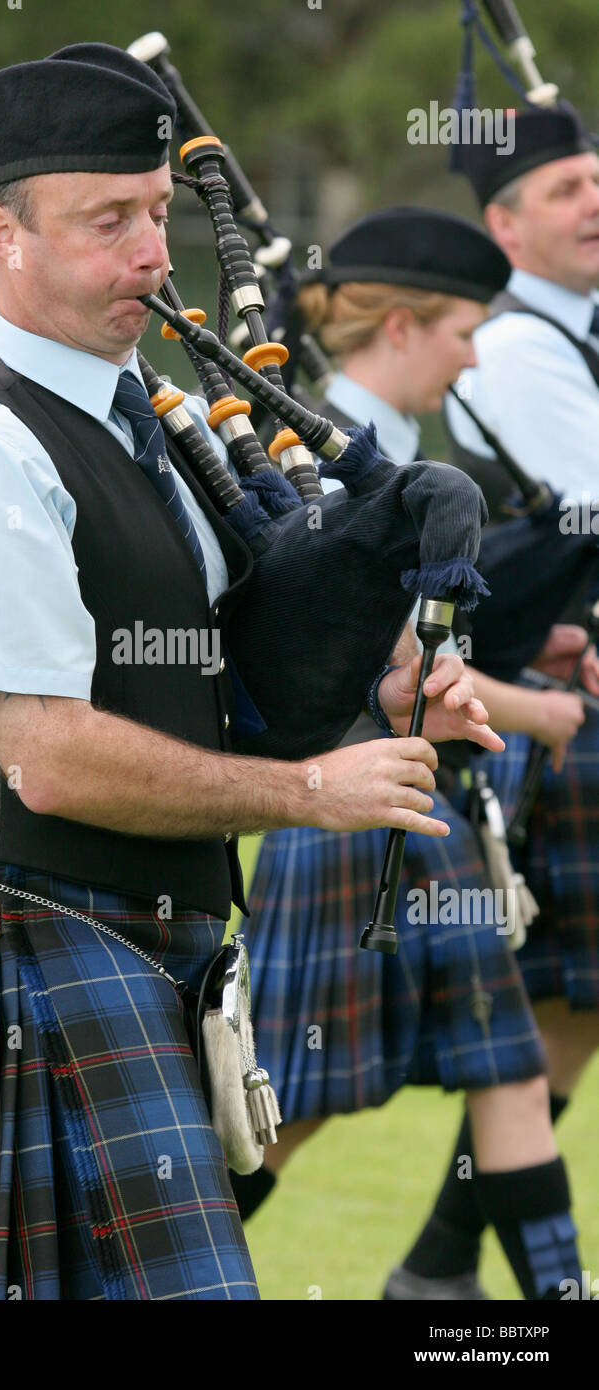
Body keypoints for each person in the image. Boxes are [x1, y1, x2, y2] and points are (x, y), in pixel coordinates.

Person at [0, 48, 495, 1302]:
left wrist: (381, 693)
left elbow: (215, 678)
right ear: (5, 232)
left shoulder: (144, 425)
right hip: (46, 953)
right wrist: (312, 788)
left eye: (155, 212)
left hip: (168, 956)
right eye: (108, 220)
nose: (152, 252)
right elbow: (47, 750)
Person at [231, 207, 590, 1302]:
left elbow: (430, 637)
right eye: (462, 330)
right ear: (398, 325)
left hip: (411, 803)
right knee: (290, 1106)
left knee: (510, 1072)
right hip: (344, 801)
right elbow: (376, 666)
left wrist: (542, 642)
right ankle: (120, 1269)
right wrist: (528, 712)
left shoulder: (377, 446)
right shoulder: (318, 461)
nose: (477, 353)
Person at [393, 103, 599, 1300]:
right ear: (502, 224)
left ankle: (436, 1265)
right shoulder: (519, 347)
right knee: (495, 1028)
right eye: (564, 187)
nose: (593, 202)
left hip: (543, 698)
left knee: (563, 1008)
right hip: (515, 713)